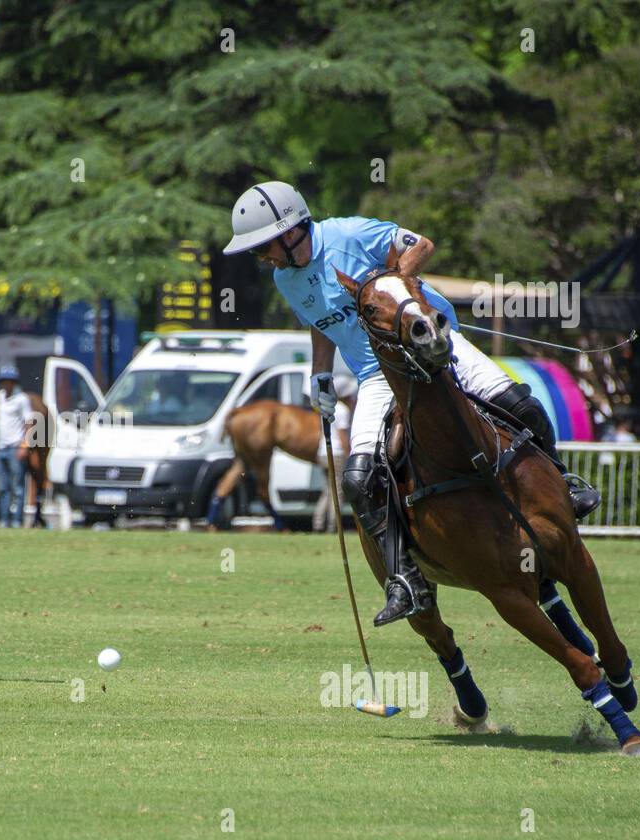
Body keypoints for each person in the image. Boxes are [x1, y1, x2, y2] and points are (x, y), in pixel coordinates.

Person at [223, 180, 599, 625]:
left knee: (523, 404)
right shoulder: (285, 278)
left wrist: (390, 286)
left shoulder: (349, 234)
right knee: (360, 479)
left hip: (435, 345)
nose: (262, 258)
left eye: (263, 247)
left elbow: (421, 244)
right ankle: (405, 580)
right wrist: (320, 374)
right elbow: (320, 322)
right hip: (374, 377)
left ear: (291, 231)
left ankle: (563, 482)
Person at [0, 365, 33, 528]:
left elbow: (30, 422)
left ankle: (16, 521)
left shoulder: (22, 398)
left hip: (16, 447)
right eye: (3, 381)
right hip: (1, 448)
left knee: (17, 487)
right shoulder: (1, 396)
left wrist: (26, 444)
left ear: (13, 382)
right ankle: (4, 520)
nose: (5, 385)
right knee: (2, 487)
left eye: (8, 381)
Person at [313, 375, 355, 533]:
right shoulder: (342, 410)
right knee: (337, 491)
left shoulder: (326, 407)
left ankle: (317, 523)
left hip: (322, 452)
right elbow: (343, 437)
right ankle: (332, 526)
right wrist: (349, 455)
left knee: (327, 490)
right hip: (336, 454)